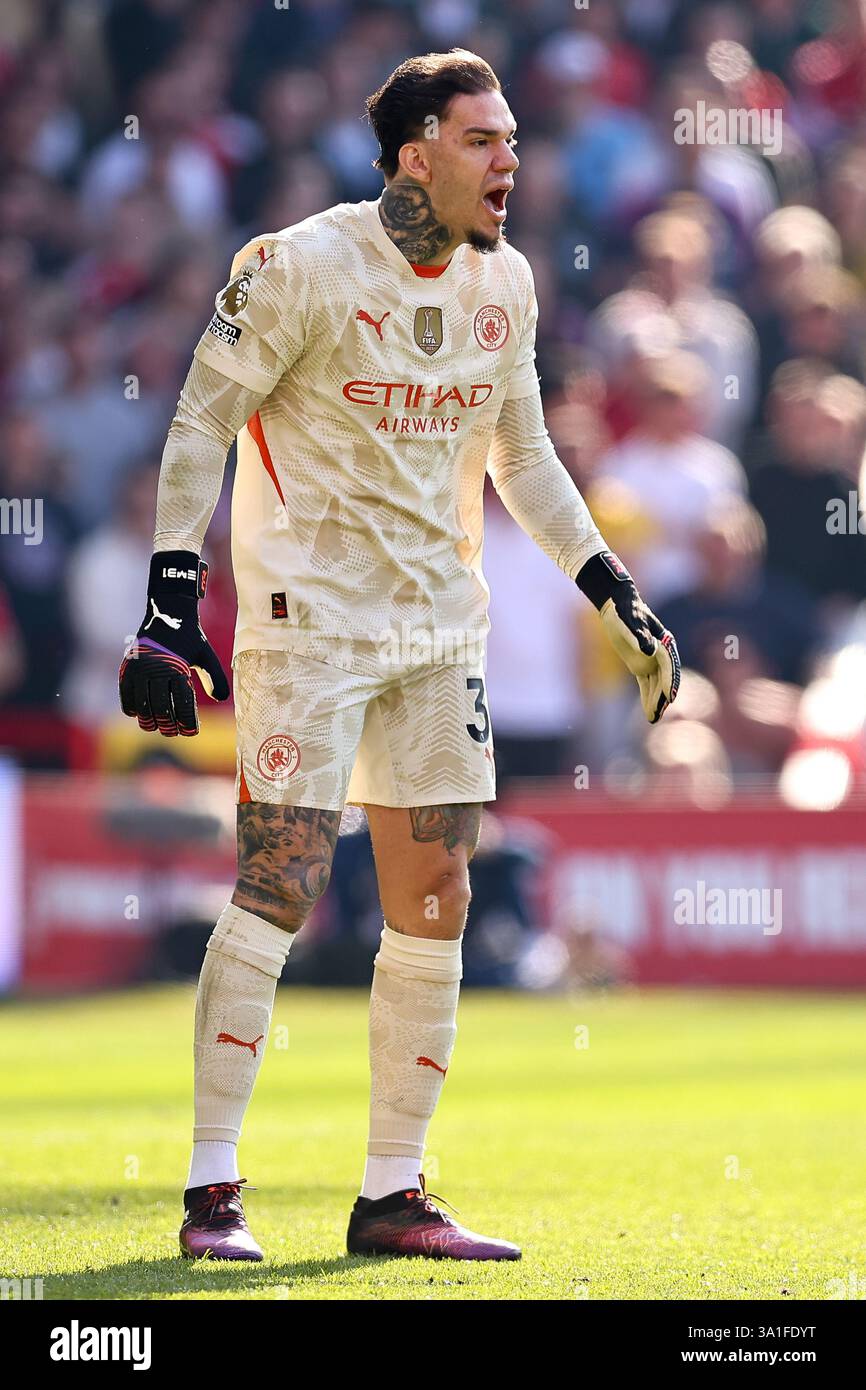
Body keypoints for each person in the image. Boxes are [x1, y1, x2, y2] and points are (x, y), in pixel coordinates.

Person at [118, 49, 679, 1264]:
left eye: (513, 141)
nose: (509, 163)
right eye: (483, 141)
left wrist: (611, 587)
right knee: (281, 883)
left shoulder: (508, 283)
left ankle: (391, 1194)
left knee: (436, 904)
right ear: (414, 152)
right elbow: (201, 419)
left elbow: (521, 456)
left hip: (439, 634)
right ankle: (213, 1187)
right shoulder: (295, 266)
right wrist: (170, 601)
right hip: (307, 625)